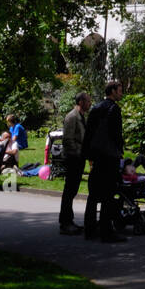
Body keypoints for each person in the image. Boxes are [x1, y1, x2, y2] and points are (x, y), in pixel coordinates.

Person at [81, 81, 126, 243]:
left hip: (96, 157)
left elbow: (88, 134)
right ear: (113, 91)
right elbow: (116, 135)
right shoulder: (114, 109)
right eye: (120, 90)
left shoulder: (95, 109)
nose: (121, 93)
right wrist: (120, 151)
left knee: (93, 195)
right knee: (108, 194)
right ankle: (107, 232)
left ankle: (89, 229)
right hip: (109, 157)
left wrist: (89, 156)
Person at [58, 92, 91, 235]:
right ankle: (65, 223)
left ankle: (69, 221)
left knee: (73, 190)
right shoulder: (72, 117)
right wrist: (78, 154)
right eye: (88, 101)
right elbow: (68, 140)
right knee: (69, 190)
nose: (90, 103)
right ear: (81, 101)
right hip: (73, 158)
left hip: (79, 158)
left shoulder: (81, 116)